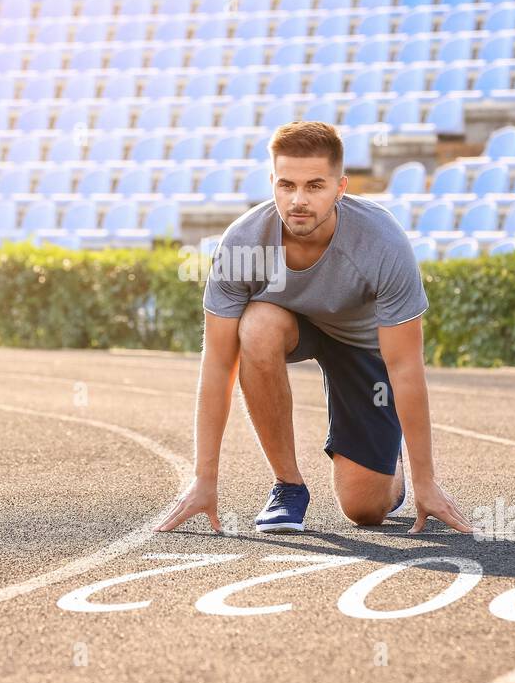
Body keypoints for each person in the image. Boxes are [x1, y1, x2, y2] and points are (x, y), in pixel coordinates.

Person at [155, 121, 475, 536]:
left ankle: (385, 463)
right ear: (272, 182)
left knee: (365, 510)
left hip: (362, 345)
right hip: (291, 326)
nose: (298, 200)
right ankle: (288, 486)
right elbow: (217, 363)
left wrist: (426, 481)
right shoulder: (242, 243)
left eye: (315, 186)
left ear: (340, 188)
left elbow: (407, 367)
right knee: (256, 325)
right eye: (286, 185)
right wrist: (204, 480)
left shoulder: (382, 241)